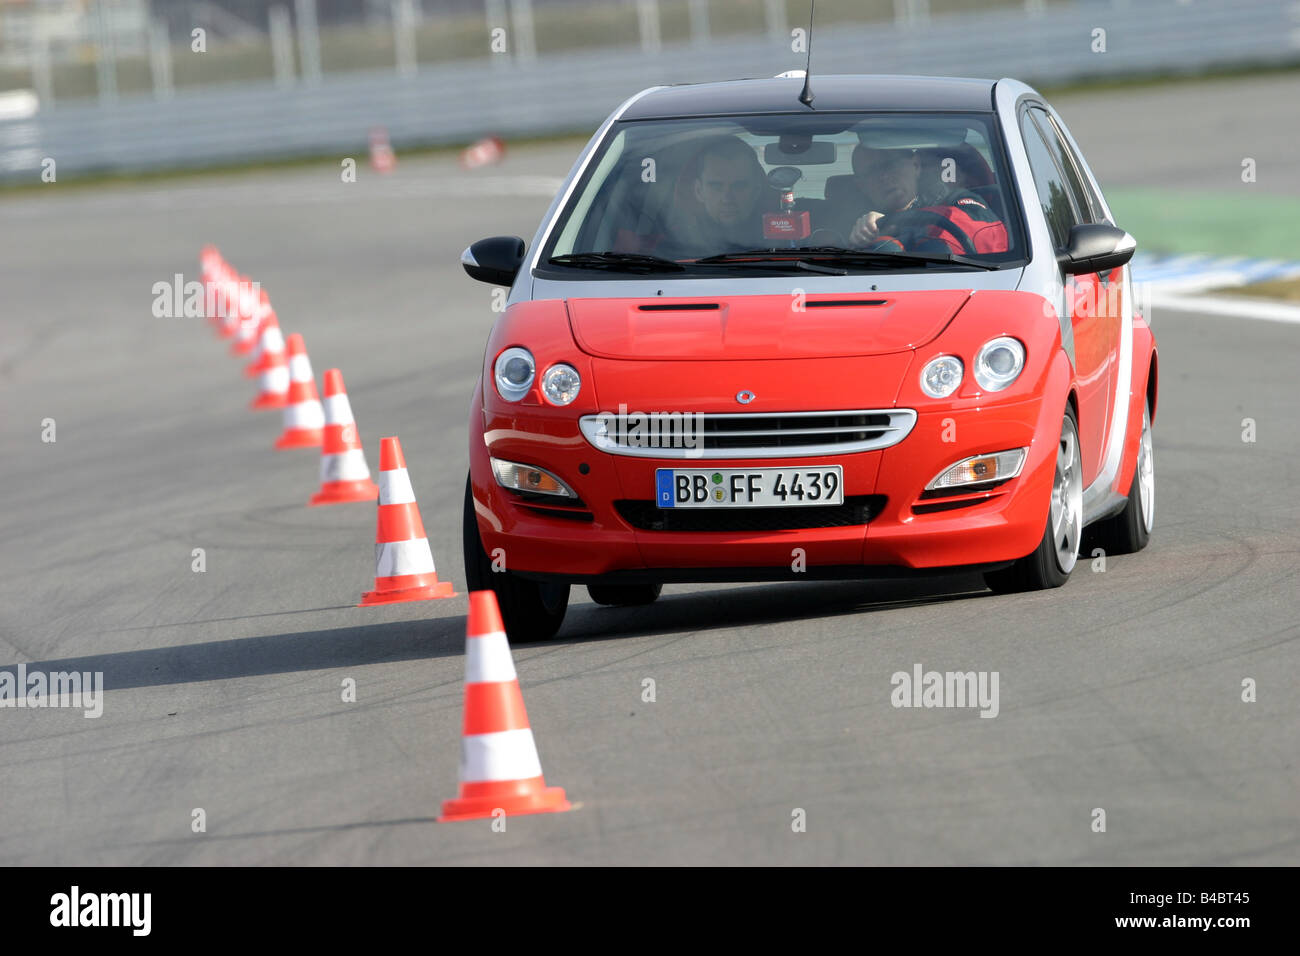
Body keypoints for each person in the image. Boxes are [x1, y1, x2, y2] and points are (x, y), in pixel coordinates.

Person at [845, 144, 1008, 255]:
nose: (884, 177)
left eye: (890, 164)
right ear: (861, 185)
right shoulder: (844, 224)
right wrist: (858, 244)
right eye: (871, 172)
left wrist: (893, 224)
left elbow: (985, 237)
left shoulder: (956, 201)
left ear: (915, 165)